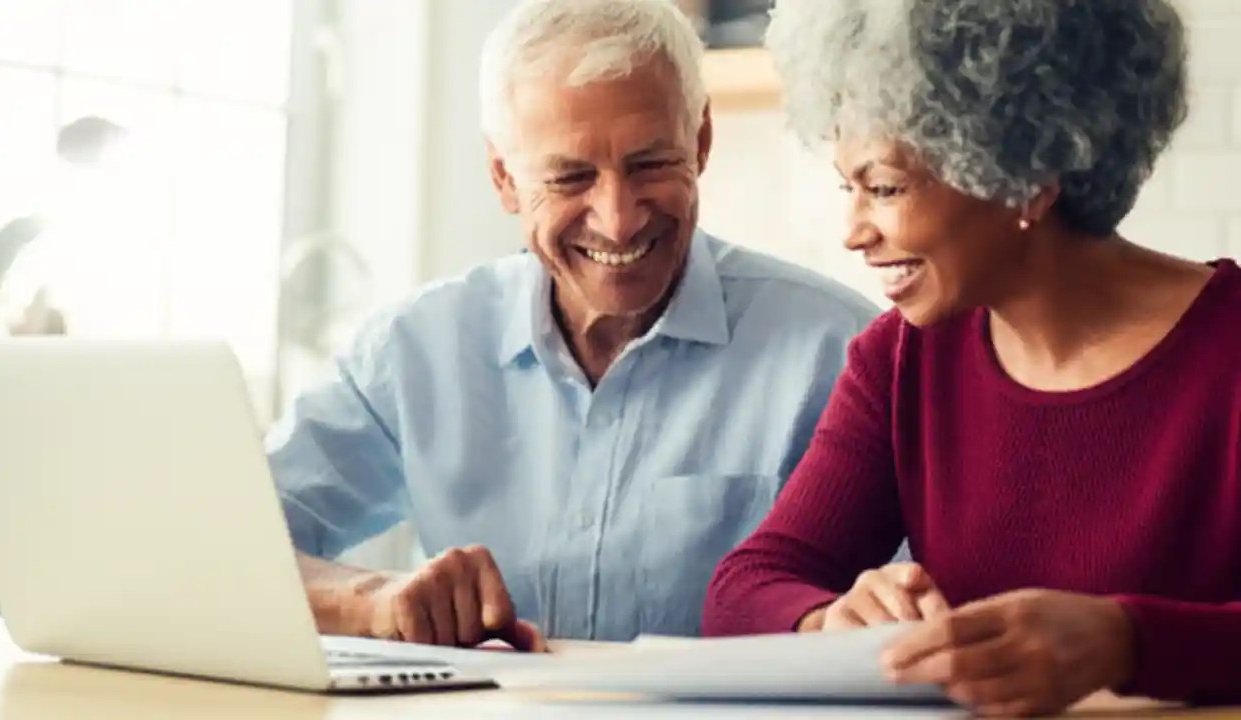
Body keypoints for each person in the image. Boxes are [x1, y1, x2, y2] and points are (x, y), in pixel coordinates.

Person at [268, 0, 877, 650]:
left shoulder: (839, 355)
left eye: (649, 165)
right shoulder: (415, 350)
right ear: (504, 177)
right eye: (570, 177)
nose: (617, 219)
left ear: (700, 142)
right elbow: (227, 543)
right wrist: (372, 602)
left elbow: (907, 614)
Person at [703, 0, 1241, 714]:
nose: (854, 232)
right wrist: (828, 622)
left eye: (885, 188)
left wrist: (1129, 641)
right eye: (849, 187)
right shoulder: (899, 361)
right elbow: (745, 588)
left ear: (1026, 174)